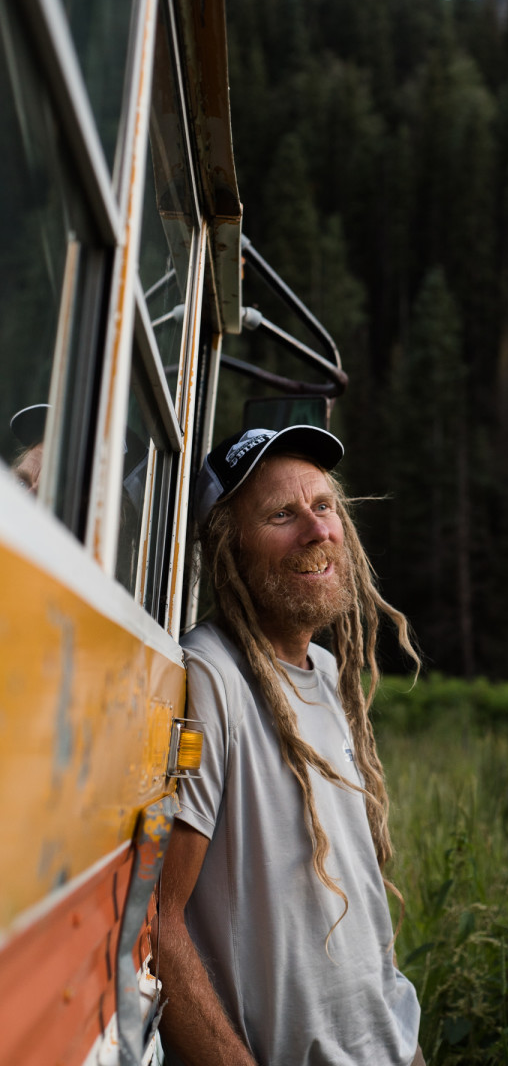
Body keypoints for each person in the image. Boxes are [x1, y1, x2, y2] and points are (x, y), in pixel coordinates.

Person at [158, 426, 424, 1066]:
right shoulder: (211, 677)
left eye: (324, 505)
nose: (317, 530)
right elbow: (157, 924)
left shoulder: (329, 675)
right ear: (229, 549)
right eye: (283, 514)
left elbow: (359, 915)